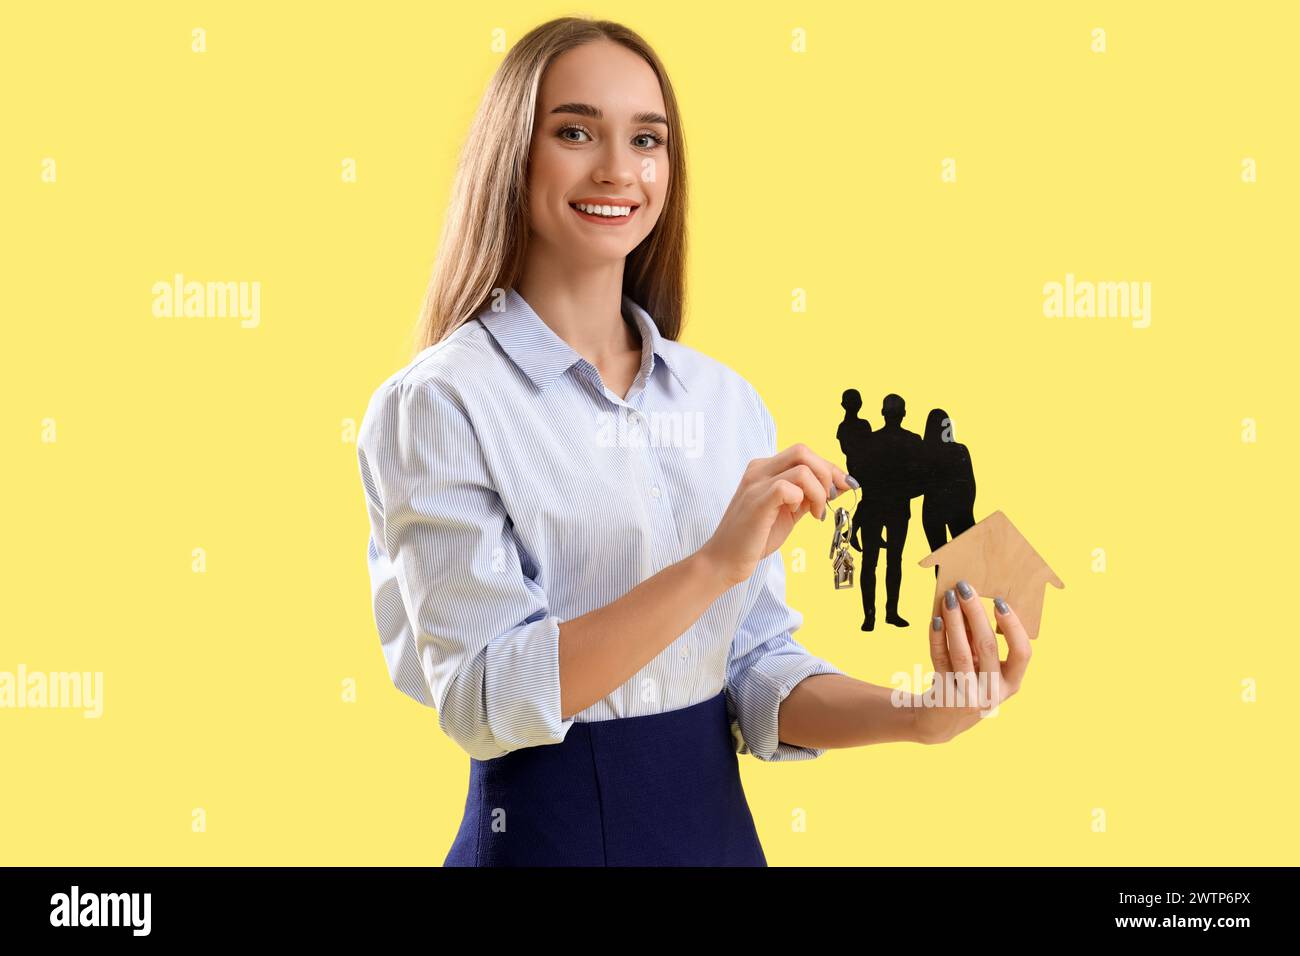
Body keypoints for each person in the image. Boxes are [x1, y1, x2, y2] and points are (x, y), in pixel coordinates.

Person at [355, 16, 1035, 867]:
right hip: (542, 844)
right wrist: (713, 563)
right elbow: (487, 696)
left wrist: (925, 715)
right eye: (575, 131)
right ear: (513, 155)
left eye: (647, 139)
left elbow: (754, 670)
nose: (617, 168)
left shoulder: (724, 400)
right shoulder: (441, 405)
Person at [920, 409, 977, 578]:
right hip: (959, 511)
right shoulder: (960, 450)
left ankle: (944, 599)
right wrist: (967, 510)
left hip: (932, 511)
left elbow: (918, 483)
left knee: (940, 560)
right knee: (966, 559)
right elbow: (971, 485)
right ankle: (965, 598)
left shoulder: (924, 453)